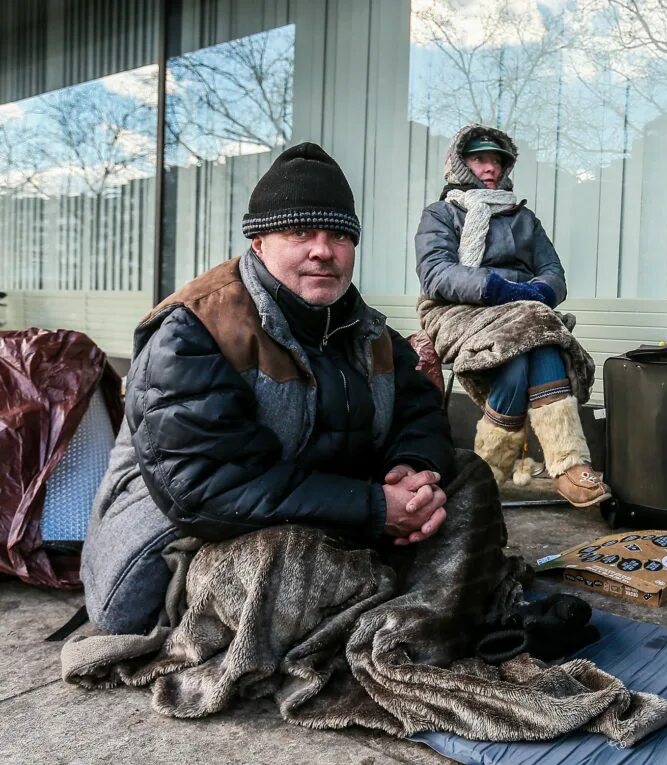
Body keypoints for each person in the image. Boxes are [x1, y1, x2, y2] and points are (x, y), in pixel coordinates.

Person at [81, 143, 461, 634]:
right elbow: (206, 487)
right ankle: (396, 619)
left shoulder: (364, 328)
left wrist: (411, 471)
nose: (323, 250)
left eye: (340, 235)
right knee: (284, 557)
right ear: (258, 242)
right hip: (180, 542)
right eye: (299, 231)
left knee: (464, 478)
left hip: (322, 510)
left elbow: (419, 409)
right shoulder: (191, 331)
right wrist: (374, 508)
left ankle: (403, 621)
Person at [414, 124, 609, 508]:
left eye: (497, 160)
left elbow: (555, 274)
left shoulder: (524, 218)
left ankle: (486, 474)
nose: (490, 167)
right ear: (461, 163)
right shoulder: (440, 213)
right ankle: (568, 460)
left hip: (520, 311)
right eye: (480, 159)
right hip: (457, 310)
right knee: (540, 331)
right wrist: (495, 289)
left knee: (524, 354)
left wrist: (535, 292)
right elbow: (435, 273)